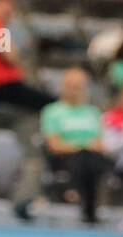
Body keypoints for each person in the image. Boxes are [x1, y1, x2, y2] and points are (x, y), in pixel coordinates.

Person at [41, 67, 108, 224]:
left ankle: (76, 192)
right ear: (63, 86)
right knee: (83, 157)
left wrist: (83, 147)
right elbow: (54, 144)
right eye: (70, 86)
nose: (74, 90)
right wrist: (80, 146)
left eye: (78, 86)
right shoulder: (52, 112)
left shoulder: (93, 113)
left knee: (91, 159)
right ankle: (85, 202)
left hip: (92, 158)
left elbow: (100, 144)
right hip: (63, 157)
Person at [0, 0, 52, 112]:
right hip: (3, 87)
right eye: (7, 6)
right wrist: (16, 53)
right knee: (53, 105)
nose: (10, 11)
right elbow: (9, 56)